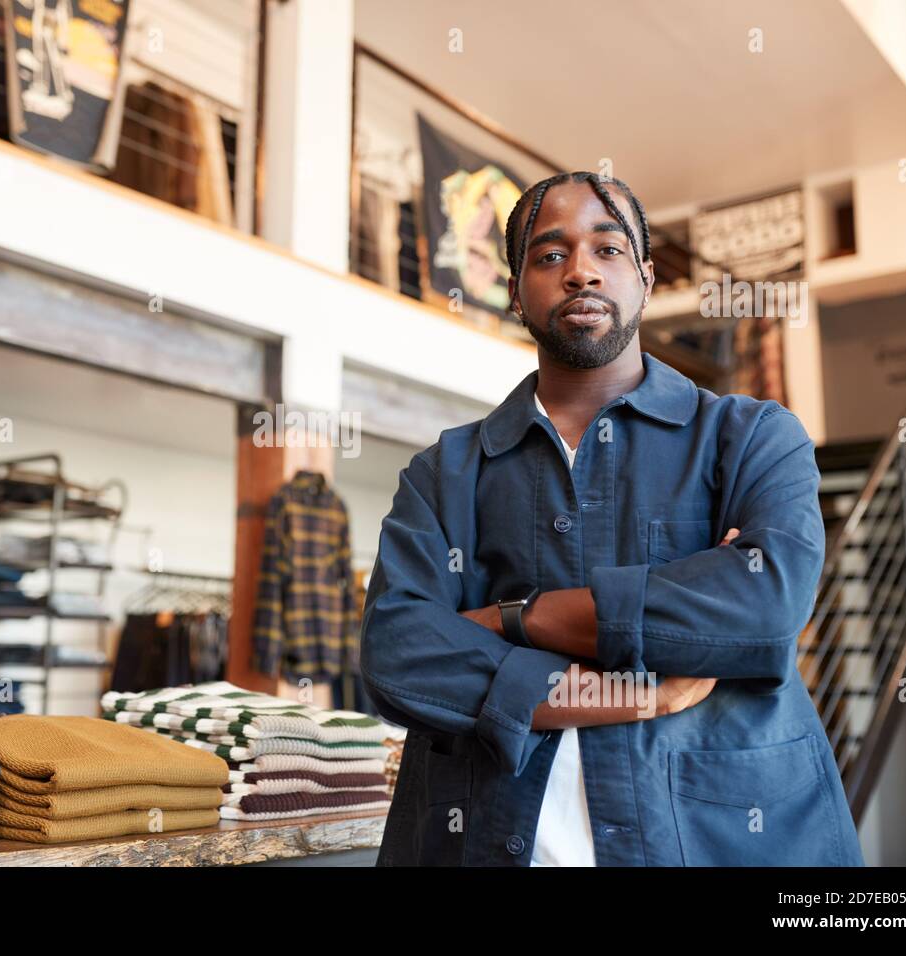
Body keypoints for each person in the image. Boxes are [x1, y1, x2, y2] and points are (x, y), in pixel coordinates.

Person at [359, 171, 863, 867]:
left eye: (608, 249)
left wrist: (517, 617)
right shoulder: (444, 473)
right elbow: (397, 655)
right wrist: (638, 693)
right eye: (550, 255)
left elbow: (765, 605)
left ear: (647, 278)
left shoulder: (750, 439)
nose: (581, 273)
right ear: (514, 290)